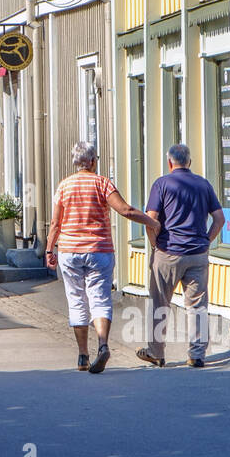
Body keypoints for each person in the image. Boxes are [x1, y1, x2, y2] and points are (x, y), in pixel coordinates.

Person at [46, 140, 161, 374]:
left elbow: (55, 222)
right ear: (92, 161)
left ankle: (82, 356)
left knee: (77, 300)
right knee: (99, 298)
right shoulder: (102, 183)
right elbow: (125, 210)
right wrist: (151, 222)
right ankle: (103, 345)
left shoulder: (64, 186)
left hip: (69, 251)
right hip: (99, 250)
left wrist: (50, 249)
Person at [138, 143, 226, 369]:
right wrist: (206, 240)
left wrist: (154, 243)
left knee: (160, 303)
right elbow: (219, 219)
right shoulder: (203, 185)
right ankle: (197, 354)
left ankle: (156, 352)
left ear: (170, 163)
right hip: (197, 253)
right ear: (190, 162)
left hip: (168, 251)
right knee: (197, 306)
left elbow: (151, 219)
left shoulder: (162, 184)